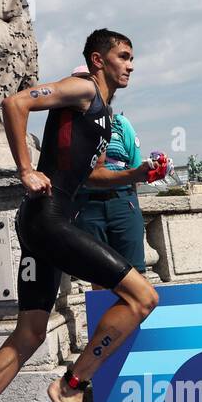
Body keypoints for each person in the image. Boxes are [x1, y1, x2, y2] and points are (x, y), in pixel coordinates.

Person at [0, 29, 168, 402]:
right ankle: (71, 386)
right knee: (143, 297)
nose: (131, 64)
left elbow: (91, 175)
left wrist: (136, 175)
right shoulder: (82, 88)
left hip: (43, 222)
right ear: (98, 60)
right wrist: (25, 169)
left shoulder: (103, 114)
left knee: (30, 334)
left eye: (132, 57)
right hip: (48, 220)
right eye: (123, 56)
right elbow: (14, 103)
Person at [70, 34, 148, 273]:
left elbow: (135, 167)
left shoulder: (120, 124)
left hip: (122, 201)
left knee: (135, 276)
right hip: (87, 204)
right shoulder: (69, 123)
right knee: (100, 277)